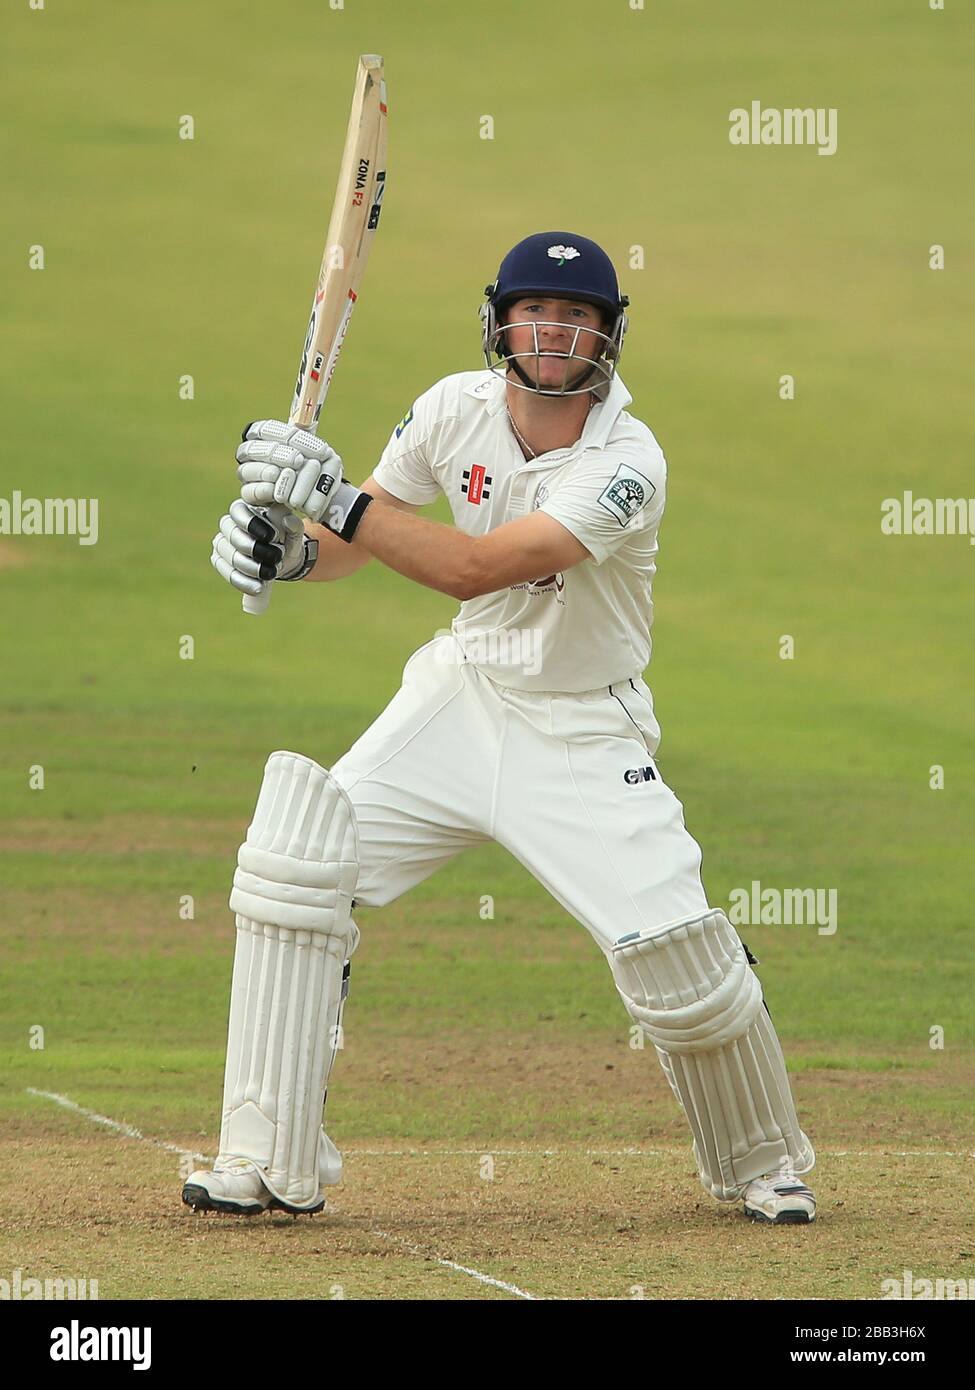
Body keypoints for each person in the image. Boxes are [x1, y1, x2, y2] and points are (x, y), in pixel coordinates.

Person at [190, 232, 816, 1224]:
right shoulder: (452, 408)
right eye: (537, 310)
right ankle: (265, 1154)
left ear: (609, 336)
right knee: (298, 860)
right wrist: (293, 554)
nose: (556, 330)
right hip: (462, 693)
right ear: (501, 321)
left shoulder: (627, 461)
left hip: (581, 725)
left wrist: (332, 499)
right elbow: (368, 535)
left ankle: (762, 1156)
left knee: (677, 953)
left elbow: (481, 567)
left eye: (579, 316)